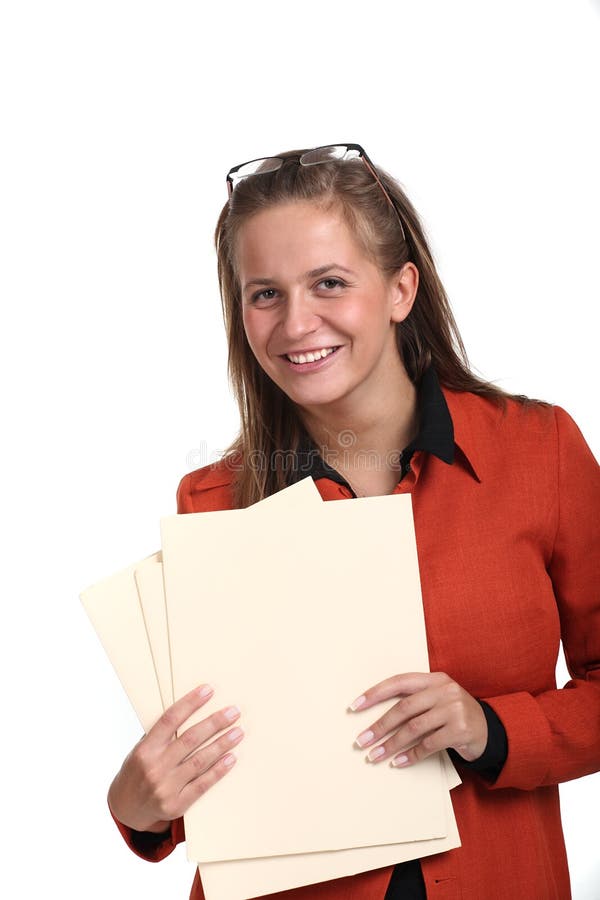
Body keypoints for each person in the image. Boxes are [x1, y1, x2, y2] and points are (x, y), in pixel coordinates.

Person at [107, 144, 600, 899]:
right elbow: (217, 760)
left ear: (401, 289)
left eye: (329, 283)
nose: (295, 323)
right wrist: (139, 808)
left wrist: (492, 729)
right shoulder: (212, 500)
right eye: (265, 294)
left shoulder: (541, 451)